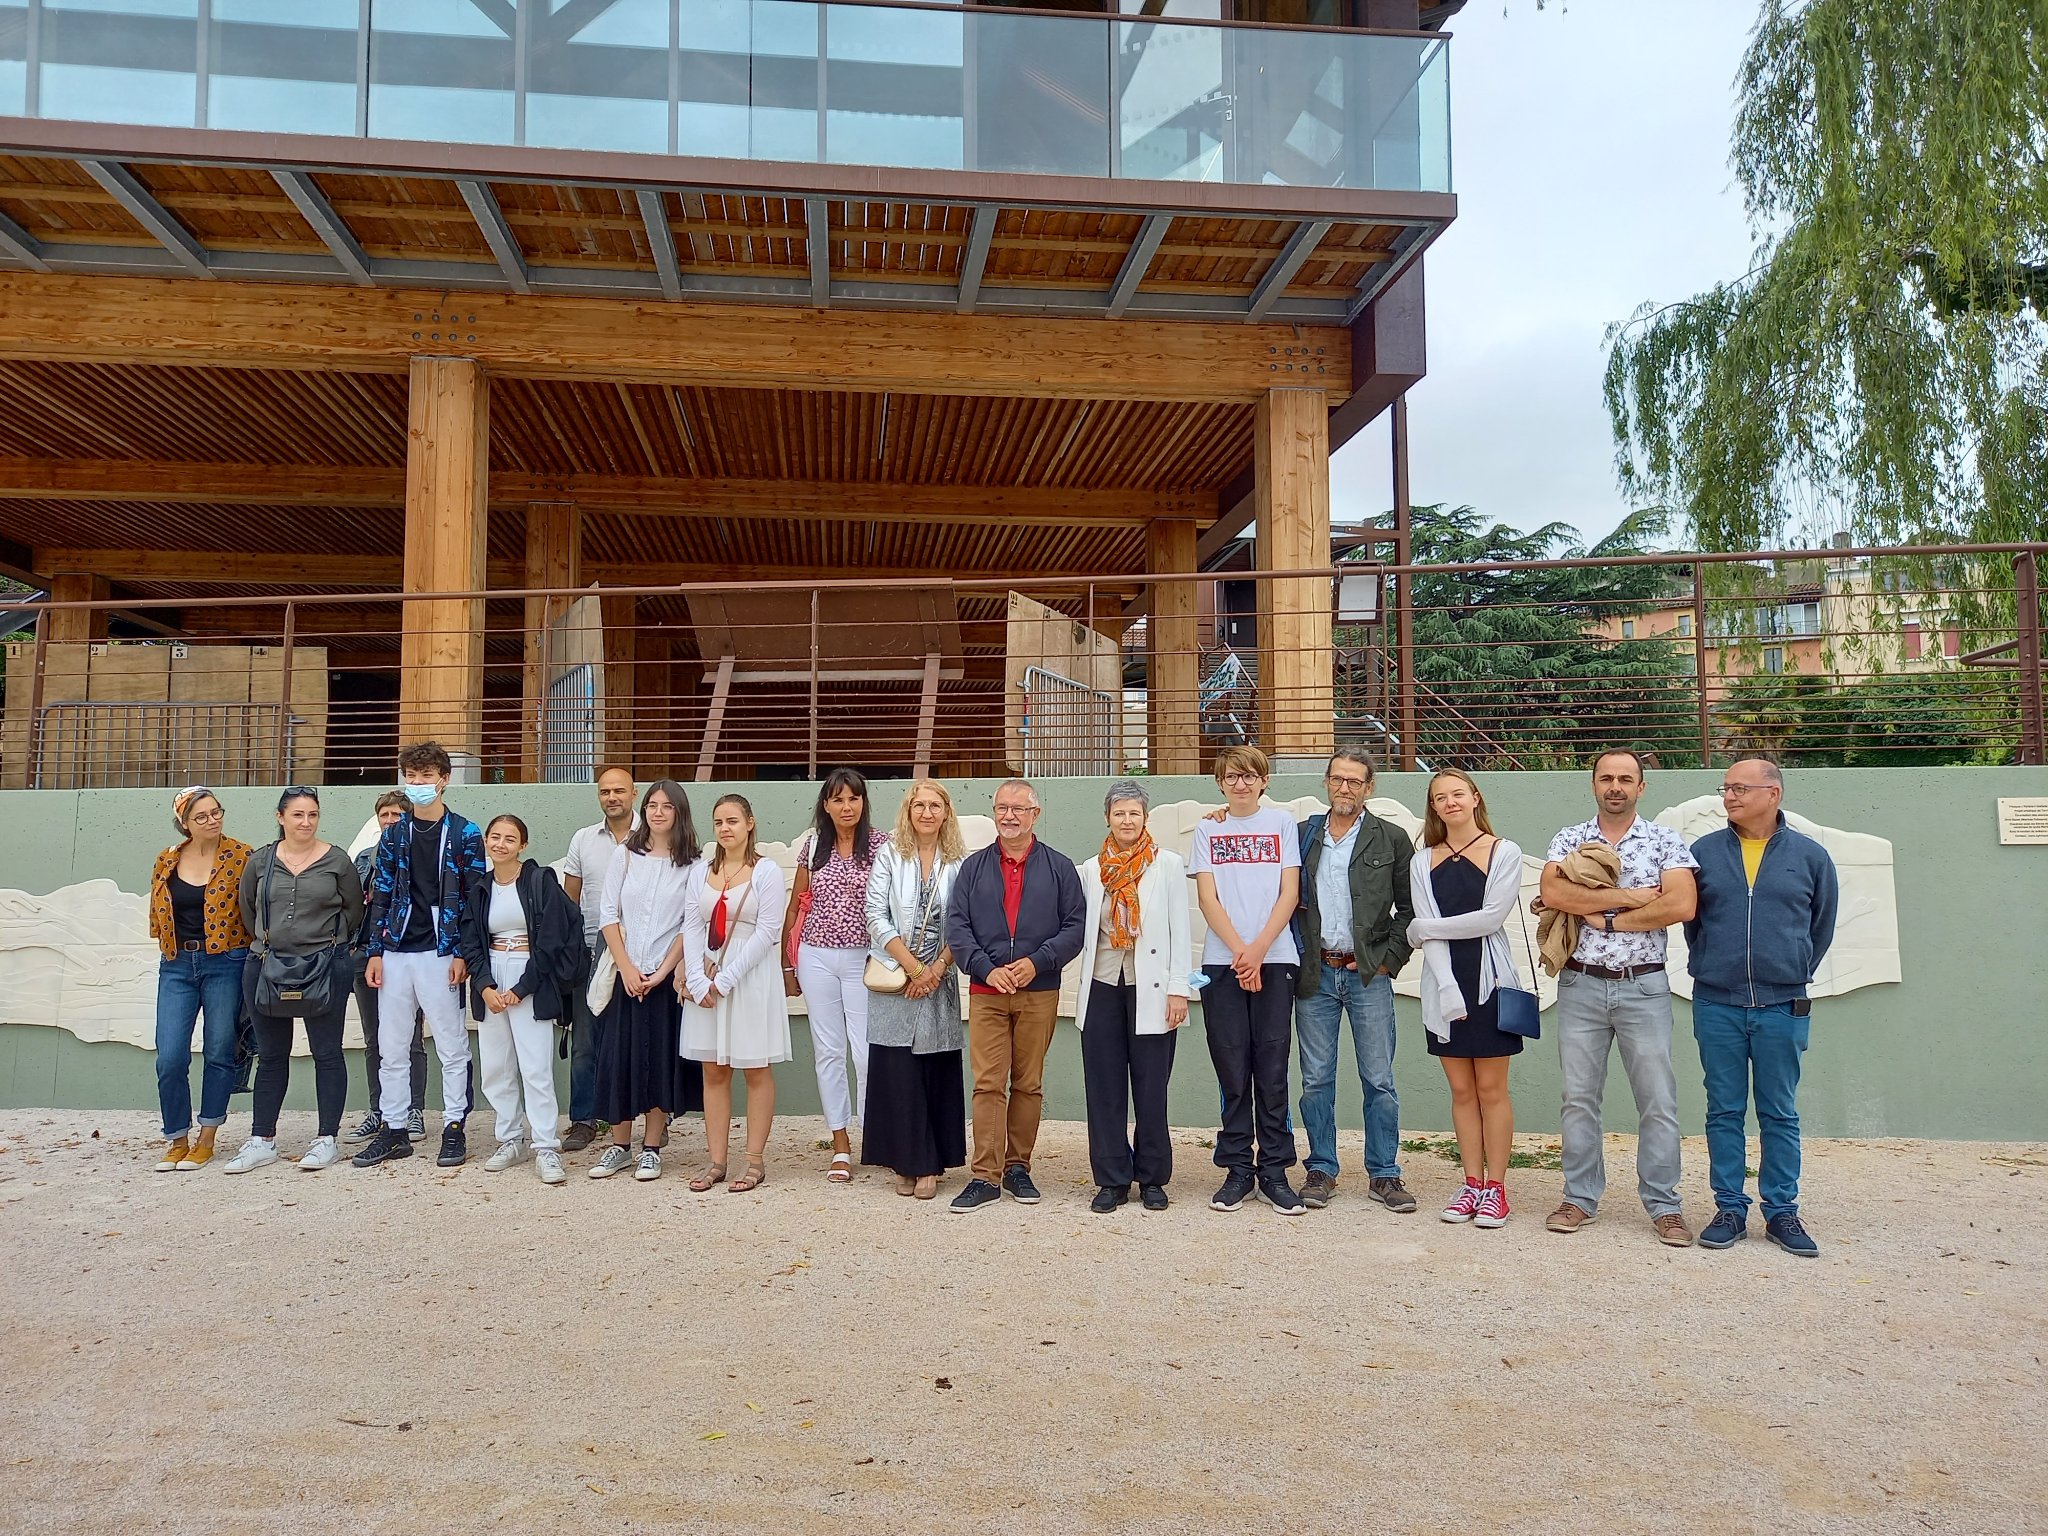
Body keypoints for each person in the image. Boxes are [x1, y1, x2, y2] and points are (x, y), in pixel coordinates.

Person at [1538, 749, 1700, 1246]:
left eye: (1626, 779)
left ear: (1641, 787)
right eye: (1606, 778)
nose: (1616, 786)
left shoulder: (1664, 840)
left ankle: (1665, 1205)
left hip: (1644, 985)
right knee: (1579, 1098)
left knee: (1658, 1100)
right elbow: (1556, 894)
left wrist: (1605, 918)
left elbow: (1682, 903)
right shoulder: (1570, 838)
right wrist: (1631, 897)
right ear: (1593, 785)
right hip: (1581, 983)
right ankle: (1579, 1197)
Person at [1685, 756, 1838, 1258]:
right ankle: (1729, 1207)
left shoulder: (1811, 857)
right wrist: (1715, 964)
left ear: (1773, 794)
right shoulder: (1703, 853)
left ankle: (1781, 1212)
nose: (1728, 796)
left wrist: (1787, 968)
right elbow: (1694, 925)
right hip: (1716, 1003)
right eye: (1726, 788)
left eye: (1739, 788)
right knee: (1723, 1109)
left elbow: (1821, 927)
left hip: (1781, 1004)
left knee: (1779, 1111)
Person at [944, 777, 1085, 1213]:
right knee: (988, 1083)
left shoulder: (1060, 868)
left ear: (1035, 814)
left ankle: (1017, 1167)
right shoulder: (973, 868)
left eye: (1018, 808)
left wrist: (1036, 963)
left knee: (1028, 1083)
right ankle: (985, 1176)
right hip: (988, 990)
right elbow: (957, 926)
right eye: (1002, 808)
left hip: (1038, 990)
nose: (1009, 815)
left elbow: (1075, 928)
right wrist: (987, 968)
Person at [1291, 749, 1417, 1213]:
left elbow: (1410, 906)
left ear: (1370, 788)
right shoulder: (1303, 834)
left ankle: (1384, 1173)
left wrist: (1389, 959)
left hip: (1367, 975)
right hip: (1315, 974)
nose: (1345, 788)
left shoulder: (1392, 839)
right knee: (1315, 1079)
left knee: (1379, 1079)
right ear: (1327, 782)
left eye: (1355, 782)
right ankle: (1321, 1166)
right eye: (1338, 780)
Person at [353, 741, 489, 1170]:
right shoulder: (393, 834)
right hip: (396, 950)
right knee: (392, 1046)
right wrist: (375, 950)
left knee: (451, 1044)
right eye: (411, 777)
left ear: (444, 780)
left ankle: (454, 1127)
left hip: (441, 951)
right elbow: (382, 895)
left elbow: (474, 898)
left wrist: (465, 953)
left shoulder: (466, 832)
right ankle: (394, 1131)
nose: (417, 785)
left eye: (426, 777)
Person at [1406, 770, 1527, 1227]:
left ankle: (1497, 1188)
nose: (1450, 802)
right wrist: (1447, 986)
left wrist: (1423, 929)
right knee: (1461, 1090)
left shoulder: (1504, 851)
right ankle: (1471, 1183)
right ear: (1433, 807)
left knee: (1492, 1089)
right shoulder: (1422, 861)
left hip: (1490, 982)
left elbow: (1490, 919)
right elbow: (1428, 926)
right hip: (1443, 986)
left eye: (1458, 793)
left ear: (1475, 798)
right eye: (1440, 797)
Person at [224, 787, 365, 1174]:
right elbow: (248, 910)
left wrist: (323, 944)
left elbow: (353, 911)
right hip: (267, 964)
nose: (306, 822)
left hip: (325, 965)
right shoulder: (260, 861)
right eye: (298, 815)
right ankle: (262, 1139)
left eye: (313, 815)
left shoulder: (338, 861)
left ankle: (326, 1139)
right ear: (280, 817)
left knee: (327, 1052)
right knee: (270, 1055)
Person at [1188, 746, 1303, 1215]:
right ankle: (1237, 1170)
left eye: (1250, 775)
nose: (1241, 783)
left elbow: (1289, 892)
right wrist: (1240, 952)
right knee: (1232, 1071)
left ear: (1264, 781)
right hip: (1223, 963)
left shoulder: (1282, 826)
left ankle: (1275, 1173)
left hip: (1275, 960)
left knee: (1272, 1071)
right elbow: (1208, 898)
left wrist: (1258, 951)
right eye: (1232, 776)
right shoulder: (1207, 828)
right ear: (1220, 782)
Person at [1074, 780, 1190, 1214]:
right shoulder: (1090, 870)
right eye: (1119, 813)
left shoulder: (1168, 865)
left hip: (1154, 989)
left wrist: (1179, 989)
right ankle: (1111, 1179)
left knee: (1151, 1087)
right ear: (1108, 818)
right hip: (1103, 985)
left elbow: (1181, 929)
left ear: (1145, 818)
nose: (1127, 820)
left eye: (1134, 813)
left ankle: (1153, 1177)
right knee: (1104, 1089)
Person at [458, 814, 586, 1186]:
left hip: (532, 977)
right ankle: (509, 1138)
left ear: (523, 845)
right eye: (494, 837)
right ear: (486, 841)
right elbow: (471, 941)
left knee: (535, 1067)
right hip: (493, 977)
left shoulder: (538, 881)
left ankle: (546, 1145)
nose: (500, 844)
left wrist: (522, 987)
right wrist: (484, 985)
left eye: (509, 838)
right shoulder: (481, 888)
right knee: (496, 1067)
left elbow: (551, 938)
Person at [589, 780, 704, 1182]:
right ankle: (619, 1146)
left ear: (679, 812)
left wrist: (661, 972)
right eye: (652, 805)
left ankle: (651, 1147)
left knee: (659, 1060)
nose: (657, 812)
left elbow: (690, 925)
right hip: (626, 975)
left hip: (664, 979)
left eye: (666, 806)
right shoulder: (626, 855)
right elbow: (608, 915)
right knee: (618, 1058)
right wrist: (627, 968)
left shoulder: (694, 863)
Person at [861, 780, 966, 1201]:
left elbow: (965, 922)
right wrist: (913, 967)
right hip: (896, 979)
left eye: (934, 805)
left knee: (933, 1071)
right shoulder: (890, 854)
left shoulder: (960, 860)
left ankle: (929, 1164)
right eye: (918, 805)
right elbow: (874, 912)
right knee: (897, 1071)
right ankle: (904, 1159)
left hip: (939, 980)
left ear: (946, 812)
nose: (926, 812)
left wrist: (936, 969)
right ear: (908, 811)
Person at [680, 794, 788, 1194]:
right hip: (707, 974)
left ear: (749, 823)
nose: (725, 829)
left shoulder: (767, 872)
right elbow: (691, 924)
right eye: (718, 822)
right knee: (713, 1068)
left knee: (755, 1067)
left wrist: (726, 980)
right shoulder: (699, 873)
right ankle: (716, 1160)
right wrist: (696, 978)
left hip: (749, 977)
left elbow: (767, 932)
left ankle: (755, 1160)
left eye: (732, 821)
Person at [784, 768, 887, 1183]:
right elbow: (795, 906)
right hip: (817, 957)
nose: (847, 807)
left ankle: (873, 1138)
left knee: (865, 1053)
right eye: (838, 799)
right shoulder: (812, 847)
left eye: (854, 798)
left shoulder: (882, 846)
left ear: (863, 802)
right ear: (825, 804)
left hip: (864, 959)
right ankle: (840, 1144)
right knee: (828, 1050)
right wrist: (788, 964)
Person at [148, 786, 255, 1172]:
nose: (212, 820)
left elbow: (256, 906)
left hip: (226, 960)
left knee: (219, 1049)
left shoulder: (242, 856)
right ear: (184, 823)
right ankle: (177, 1137)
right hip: (177, 963)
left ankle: (207, 1136)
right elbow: (157, 909)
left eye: (216, 812)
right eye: (202, 816)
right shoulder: (166, 858)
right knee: (170, 1055)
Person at [558, 765, 637, 1152]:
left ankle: (651, 1116)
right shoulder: (584, 840)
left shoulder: (654, 835)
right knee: (586, 1041)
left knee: (639, 1038)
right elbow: (571, 898)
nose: (612, 797)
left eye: (620, 790)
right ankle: (584, 1120)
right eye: (605, 791)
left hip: (642, 955)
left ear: (634, 794)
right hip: (592, 952)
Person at [346, 791, 427, 1146]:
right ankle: (379, 1109)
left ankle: (413, 1111)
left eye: (397, 815)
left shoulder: (422, 857)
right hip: (366, 954)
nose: (390, 821)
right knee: (373, 1038)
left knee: (410, 1038)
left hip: (408, 953)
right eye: (385, 815)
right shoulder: (364, 859)